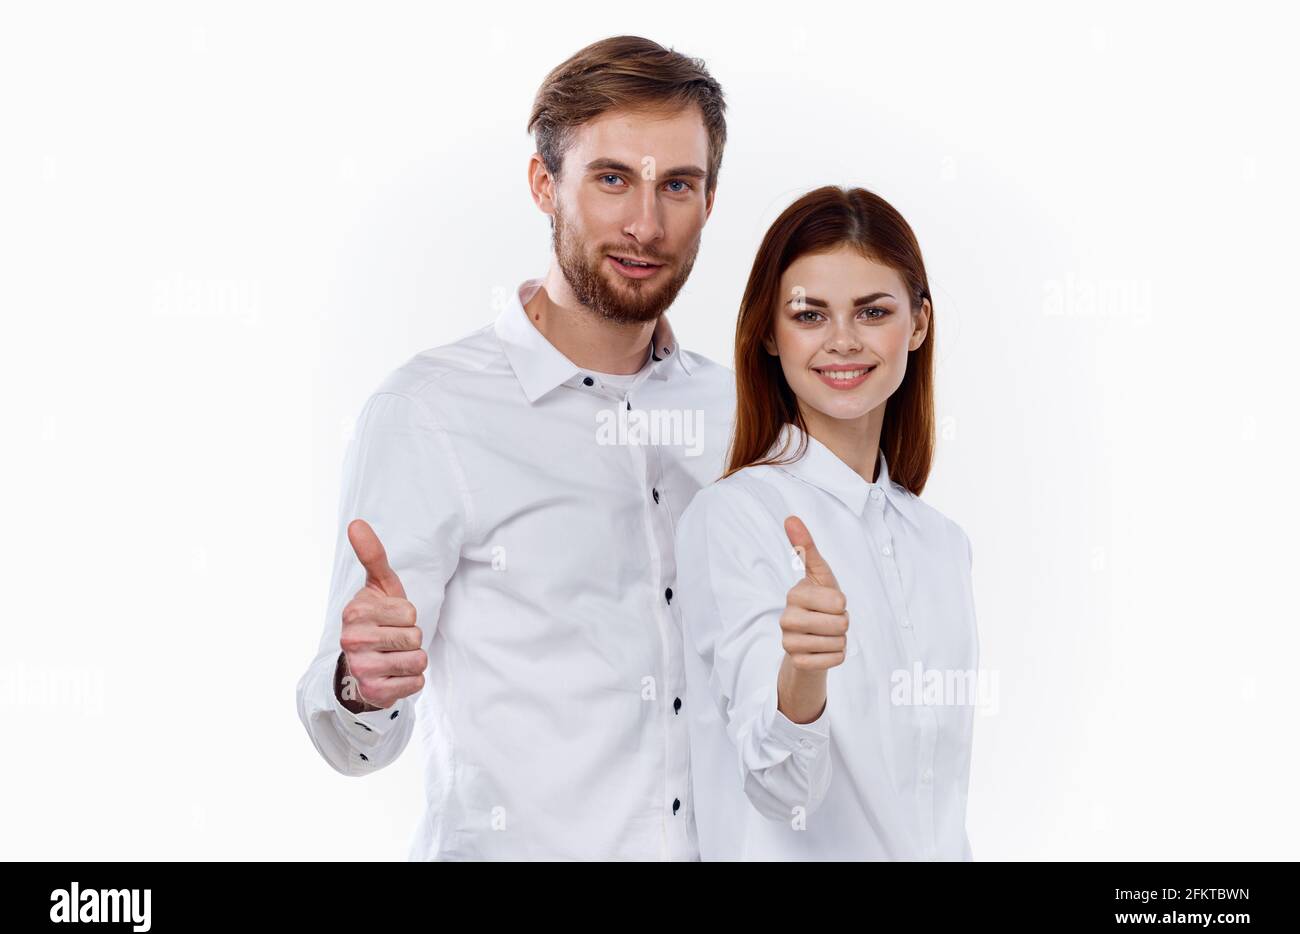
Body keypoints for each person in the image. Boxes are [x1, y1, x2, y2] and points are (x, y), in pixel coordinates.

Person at [295, 35, 735, 860]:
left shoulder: (738, 414)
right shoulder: (431, 413)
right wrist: (362, 682)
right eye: (612, 179)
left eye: (677, 184)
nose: (647, 223)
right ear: (544, 184)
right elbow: (348, 736)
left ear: (709, 200)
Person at [675, 186, 980, 860]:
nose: (843, 341)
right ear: (769, 334)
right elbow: (782, 792)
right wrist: (802, 675)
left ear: (919, 323)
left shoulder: (942, 544)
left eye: (873, 311)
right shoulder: (733, 518)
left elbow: (934, 807)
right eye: (809, 315)